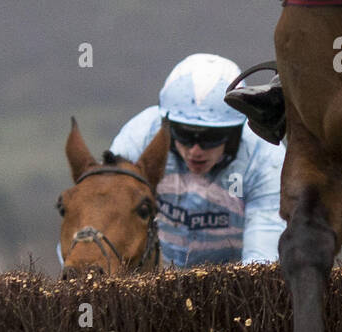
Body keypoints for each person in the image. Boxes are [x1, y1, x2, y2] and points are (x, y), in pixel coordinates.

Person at [110, 53, 284, 267]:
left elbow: (263, 257)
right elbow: (102, 217)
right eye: (184, 134)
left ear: (234, 132)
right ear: (167, 124)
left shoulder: (266, 157)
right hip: (149, 279)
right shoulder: (139, 137)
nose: (196, 150)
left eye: (210, 137)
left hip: (227, 289)